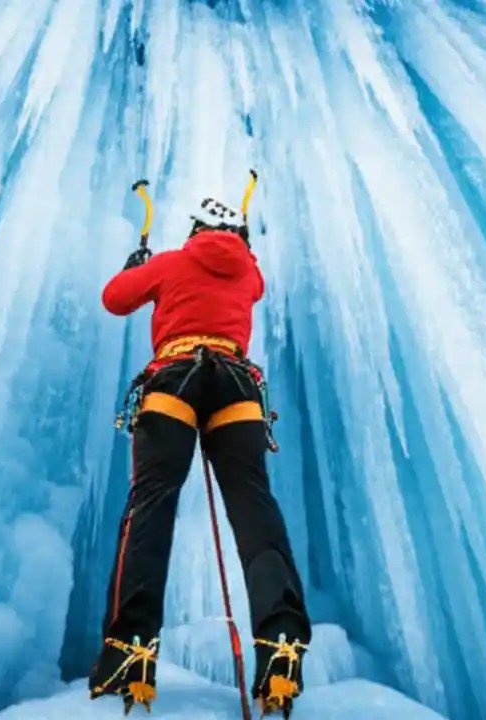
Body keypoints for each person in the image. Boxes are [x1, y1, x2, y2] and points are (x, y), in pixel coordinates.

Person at [88, 196, 313, 715]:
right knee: (255, 509)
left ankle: (130, 647)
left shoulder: (171, 261)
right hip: (237, 387)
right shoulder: (248, 276)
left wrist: (135, 267)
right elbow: (244, 270)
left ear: (195, 228)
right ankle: (280, 644)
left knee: (152, 504)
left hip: (174, 378)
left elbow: (115, 300)